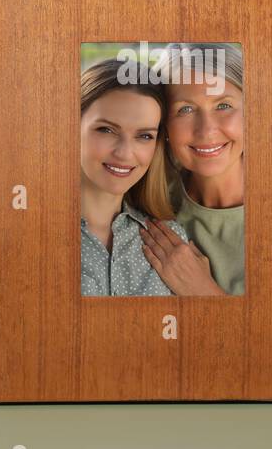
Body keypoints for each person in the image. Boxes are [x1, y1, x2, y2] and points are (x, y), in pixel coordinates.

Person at [80, 58, 222, 297]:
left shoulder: (173, 241)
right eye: (106, 130)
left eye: (144, 136)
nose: (124, 153)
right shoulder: (32, 233)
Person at [140, 43, 244, 296]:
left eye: (223, 105)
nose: (206, 130)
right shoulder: (148, 205)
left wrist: (204, 293)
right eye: (185, 109)